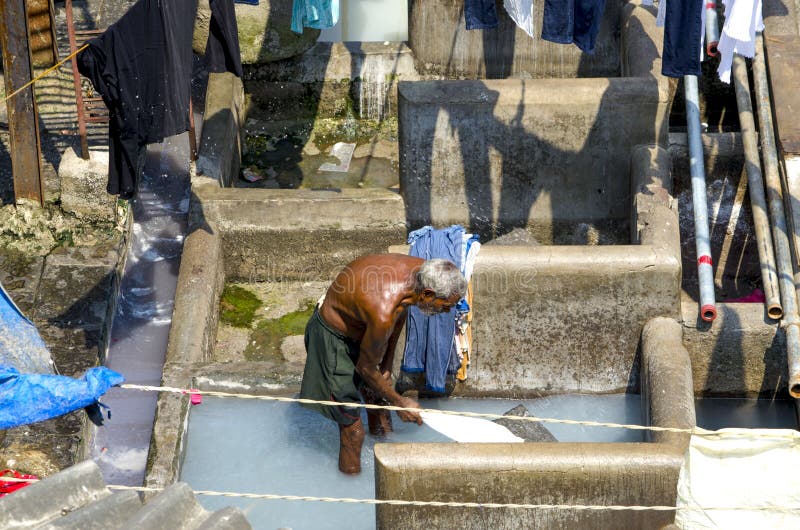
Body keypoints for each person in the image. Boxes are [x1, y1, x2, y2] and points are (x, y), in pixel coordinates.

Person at [300, 254, 467, 474]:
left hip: (363, 329)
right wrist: (399, 402)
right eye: (445, 306)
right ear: (428, 294)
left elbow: (403, 309)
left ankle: (386, 464)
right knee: (353, 430)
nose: (446, 312)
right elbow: (365, 367)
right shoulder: (383, 311)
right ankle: (351, 489)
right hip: (333, 339)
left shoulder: (421, 272)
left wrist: (387, 366)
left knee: (378, 400)